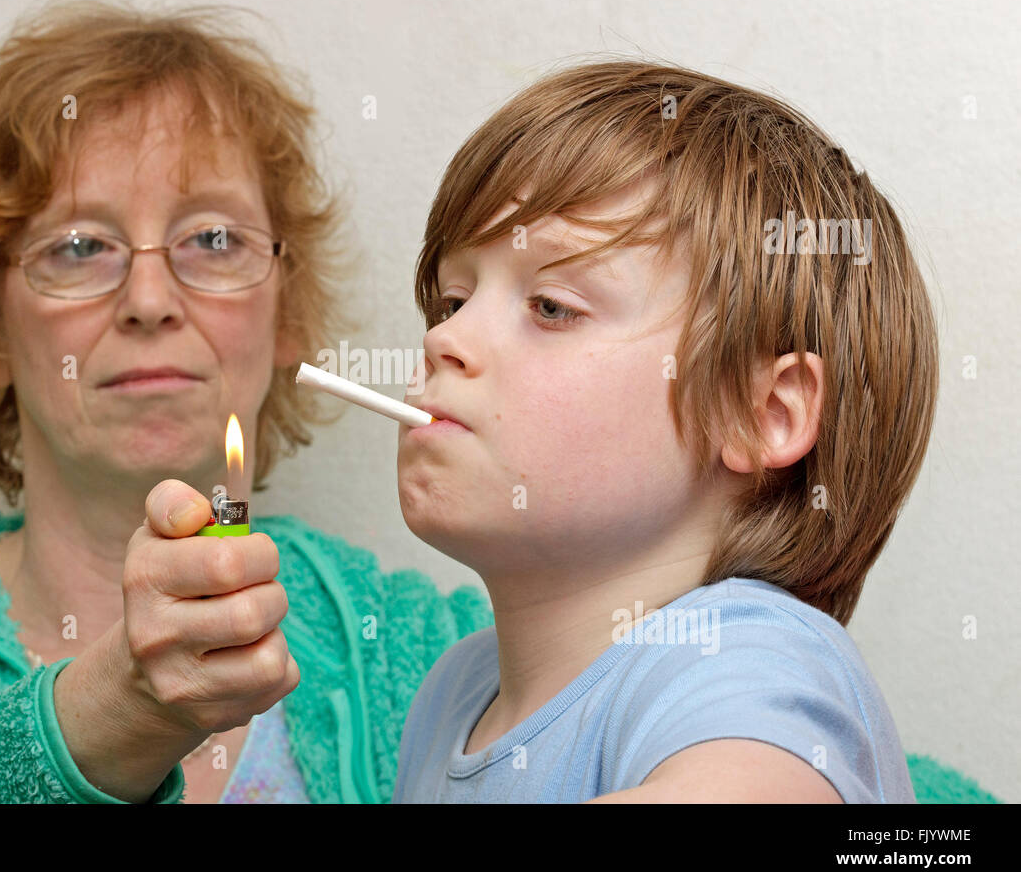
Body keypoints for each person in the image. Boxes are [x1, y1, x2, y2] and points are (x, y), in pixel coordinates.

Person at [0, 0, 491, 804]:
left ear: (286, 314)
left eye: (213, 239)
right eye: (80, 247)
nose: (150, 299)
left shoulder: (424, 649)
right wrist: (117, 712)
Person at [392, 61, 936, 802]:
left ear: (761, 415)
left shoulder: (743, 652)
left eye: (551, 306)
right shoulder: (451, 695)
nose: (444, 339)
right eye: (453, 299)